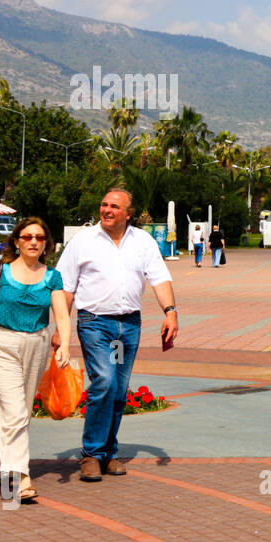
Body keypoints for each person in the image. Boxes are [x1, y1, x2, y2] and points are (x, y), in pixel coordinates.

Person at [55, 188, 177, 482]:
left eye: (114, 206)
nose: (107, 210)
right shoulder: (83, 241)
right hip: (95, 324)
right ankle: (92, 454)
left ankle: (109, 452)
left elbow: (159, 278)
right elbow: (65, 286)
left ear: (128, 214)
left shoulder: (143, 242)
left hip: (127, 328)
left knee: (119, 391)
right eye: (104, 204)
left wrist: (170, 312)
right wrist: (61, 331)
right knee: (105, 382)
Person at [0, 217, 72, 503]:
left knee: (18, 414)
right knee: (15, 411)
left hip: (38, 344)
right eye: (28, 236)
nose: (33, 242)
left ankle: (6, 468)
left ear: (46, 243)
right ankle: (21, 477)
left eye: (40, 238)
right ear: (17, 241)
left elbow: (62, 314)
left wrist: (65, 344)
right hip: (3, 345)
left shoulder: (52, 276)